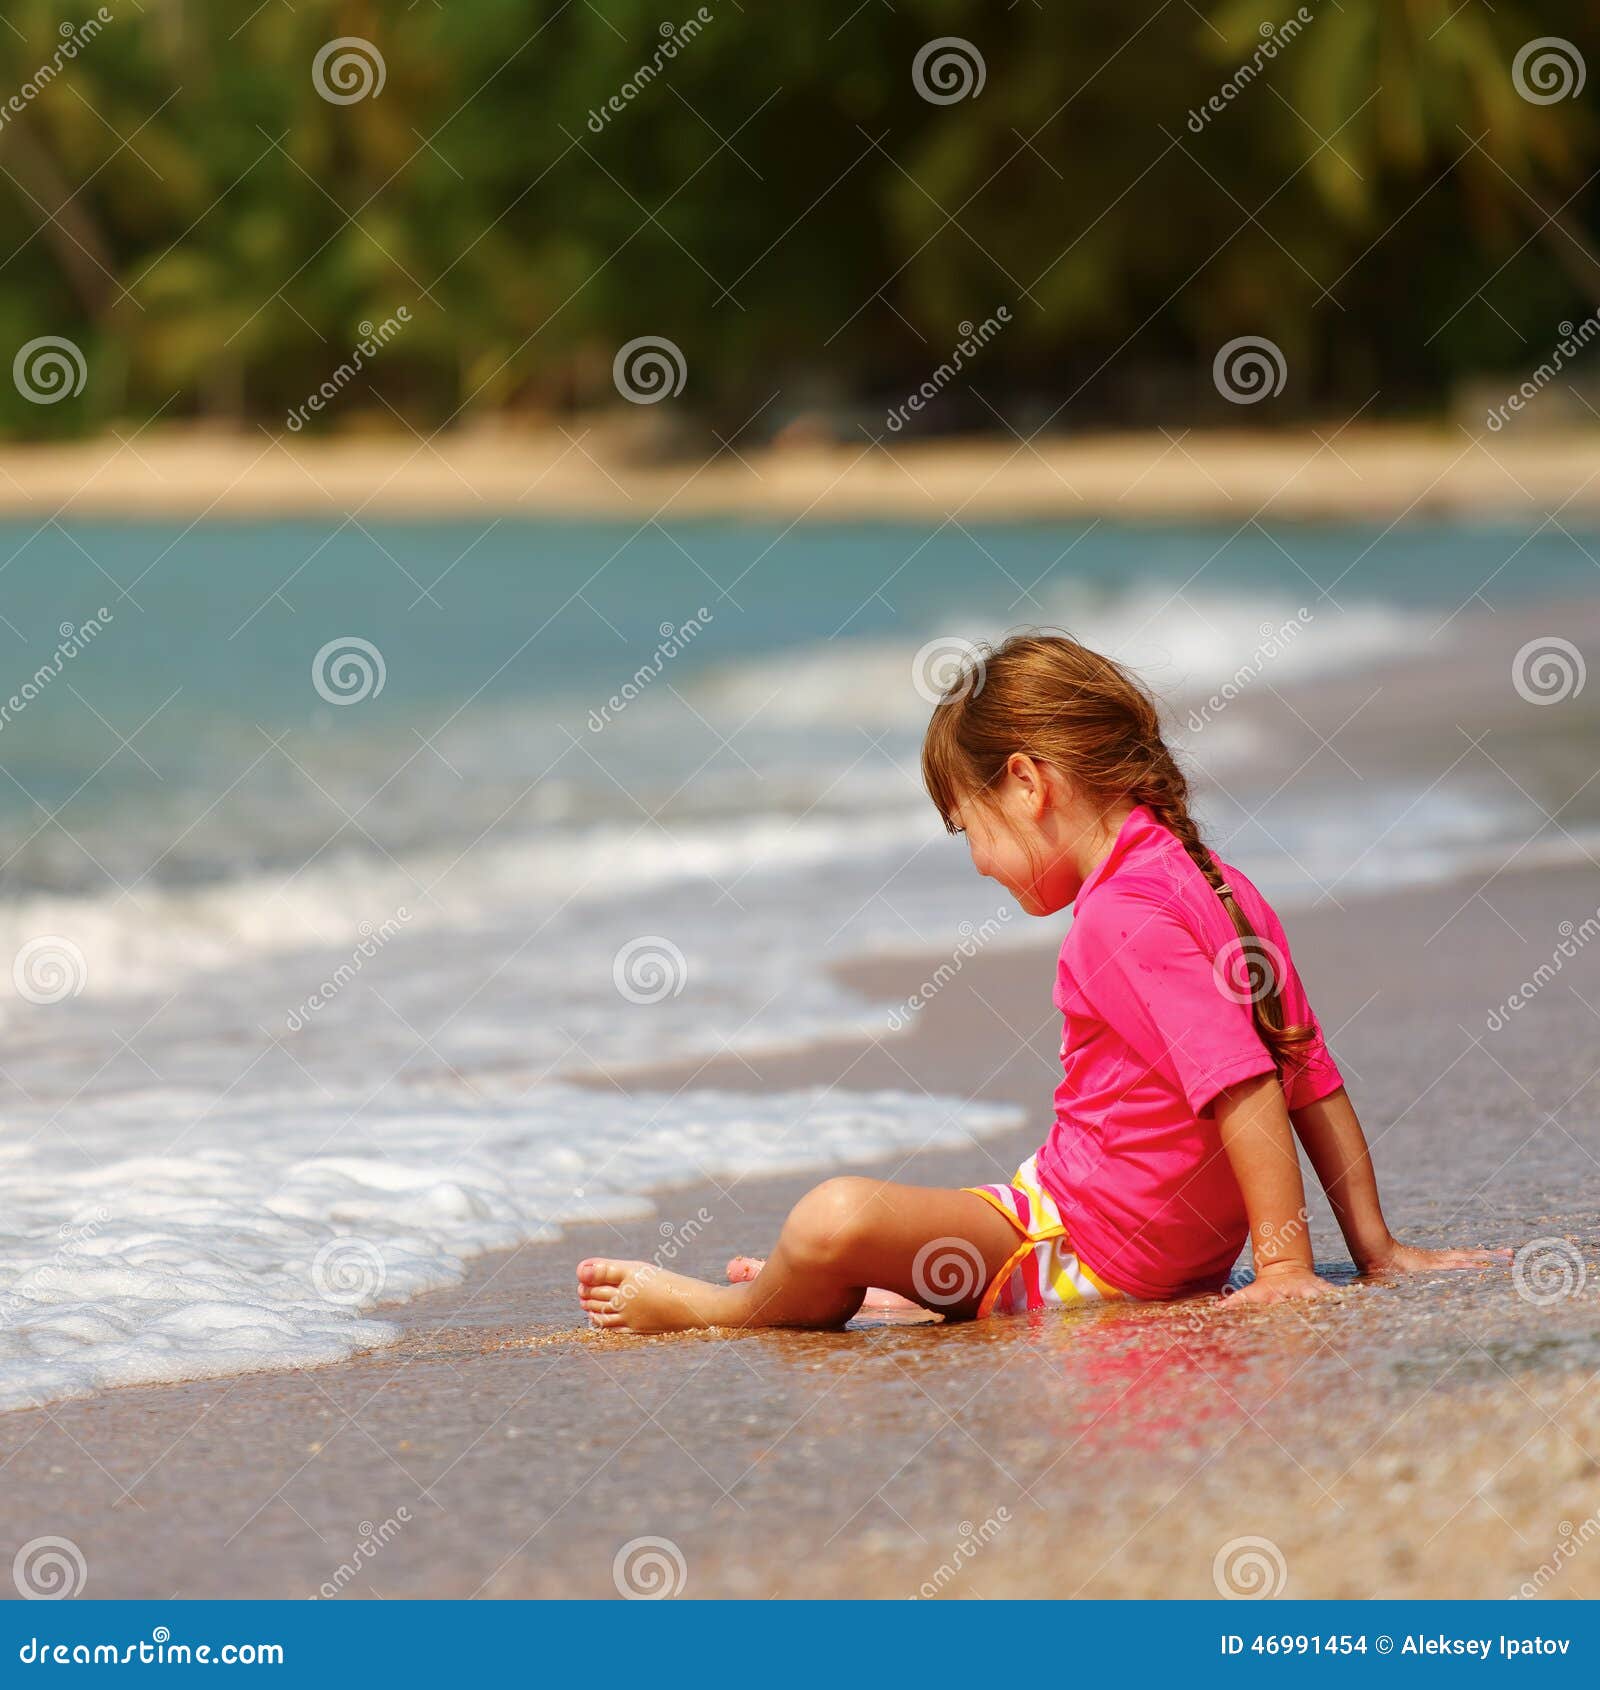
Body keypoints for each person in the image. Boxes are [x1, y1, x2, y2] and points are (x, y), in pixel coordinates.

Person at [577, 632, 1502, 1332]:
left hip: (1071, 1246)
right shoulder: (1217, 882)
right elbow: (1308, 1070)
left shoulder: (1119, 918)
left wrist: (1287, 1266)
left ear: (1026, 783)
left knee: (832, 1217)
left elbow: (1253, 1082)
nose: (980, 862)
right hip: (1068, 1226)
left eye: (969, 828)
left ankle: (720, 1308)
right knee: (908, 1245)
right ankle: (895, 1287)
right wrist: (1374, 1250)